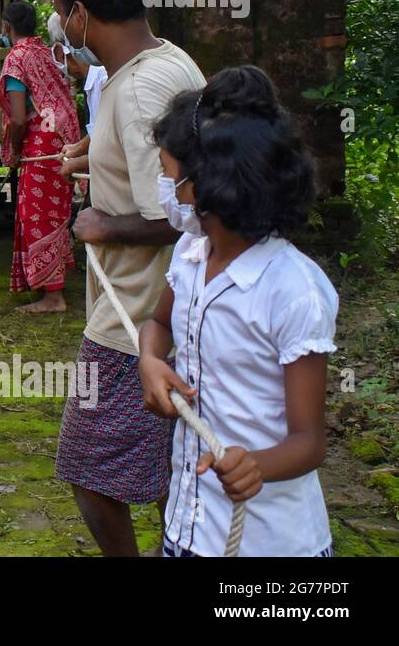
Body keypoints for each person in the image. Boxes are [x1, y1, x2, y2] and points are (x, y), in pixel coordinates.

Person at [50, 0, 205, 556]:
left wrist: (102, 225)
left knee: (86, 469)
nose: (62, 23)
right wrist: (97, 153)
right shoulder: (165, 62)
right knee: (174, 462)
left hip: (133, 317)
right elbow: (166, 159)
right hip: (167, 312)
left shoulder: (139, 88)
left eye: (62, 10)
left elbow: (182, 210)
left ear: (82, 14)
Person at [139, 66, 335, 557]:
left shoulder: (293, 289)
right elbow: (158, 323)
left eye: (169, 177)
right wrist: (150, 360)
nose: (168, 193)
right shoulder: (190, 255)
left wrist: (258, 465)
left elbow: (310, 441)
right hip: (186, 529)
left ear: (207, 183)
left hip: (268, 544)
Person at [0, 0, 80, 313]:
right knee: (55, 214)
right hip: (64, 141)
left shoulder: (17, 59)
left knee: (38, 216)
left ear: (7, 26)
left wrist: (15, 150)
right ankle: (52, 287)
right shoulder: (46, 52)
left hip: (42, 146)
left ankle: (54, 298)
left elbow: (18, 118)